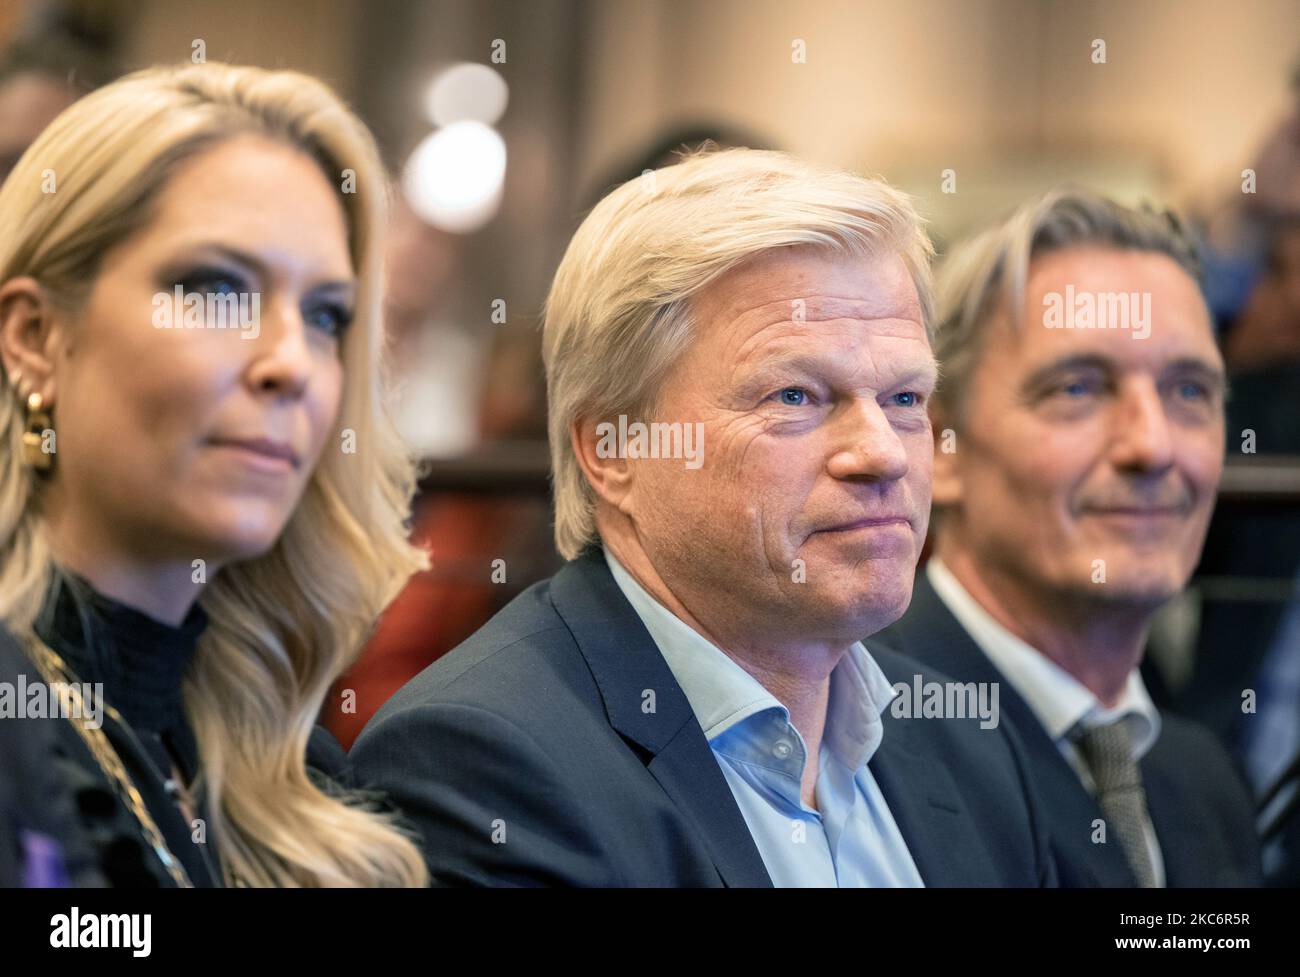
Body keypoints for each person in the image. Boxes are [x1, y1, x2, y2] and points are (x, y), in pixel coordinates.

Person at [352, 148, 1055, 887]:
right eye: (796, 396)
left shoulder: (967, 739)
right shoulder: (484, 762)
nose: (883, 454)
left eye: (905, 399)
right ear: (613, 451)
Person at [0, 61, 428, 887]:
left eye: (325, 314)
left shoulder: (286, 759)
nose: (292, 363)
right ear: (35, 336)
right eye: (217, 289)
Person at [875, 188, 1262, 887]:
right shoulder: (853, 742)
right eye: (1079, 388)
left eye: (1189, 391)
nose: (1152, 445)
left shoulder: (1201, 778)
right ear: (941, 443)